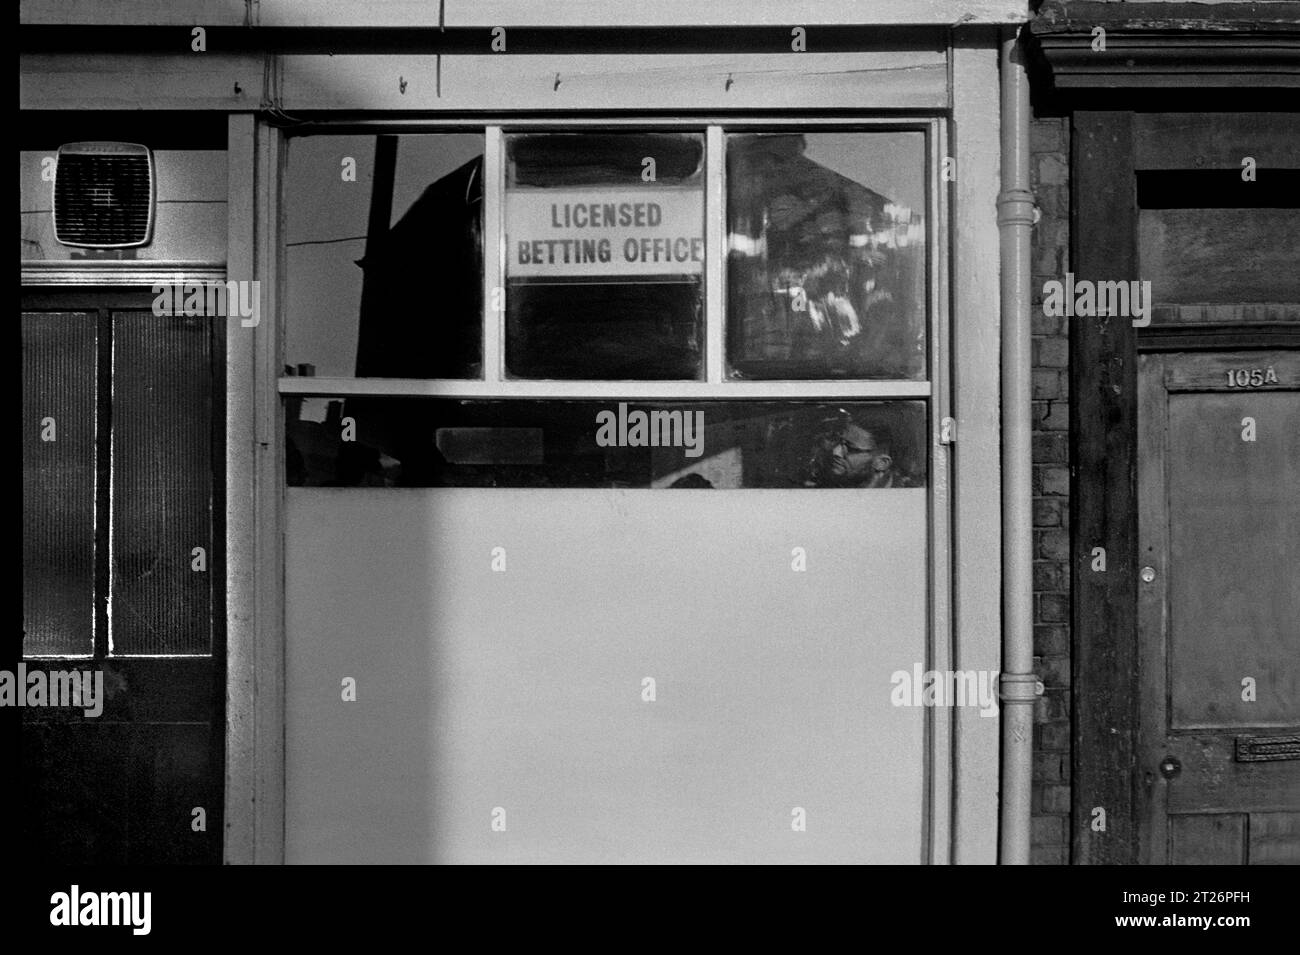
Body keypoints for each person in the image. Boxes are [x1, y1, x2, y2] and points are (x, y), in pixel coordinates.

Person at [804, 417, 917, 488]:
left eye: (851, 449)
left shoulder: (908, 497)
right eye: (838, 442)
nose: (836, 452)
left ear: (882, 463)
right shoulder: (822, 487)